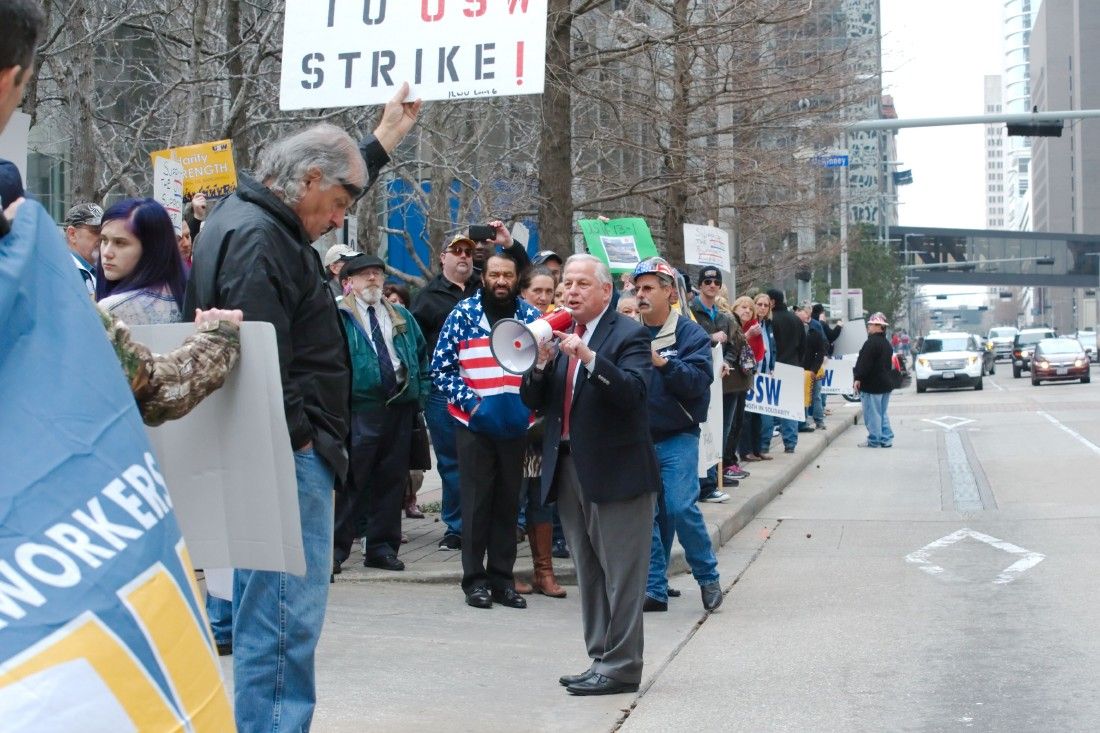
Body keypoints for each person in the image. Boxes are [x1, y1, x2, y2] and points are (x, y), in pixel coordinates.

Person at [184, 83, 421, 732]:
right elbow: (261, 356)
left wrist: (384, 139)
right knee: (284, 620)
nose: (341, 219)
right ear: (309, 180)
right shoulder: (260, 239)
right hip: (285, 454)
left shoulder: (252, 219)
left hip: (274, 449)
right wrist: (305, 437)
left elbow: (336, 182)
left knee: (272, 615)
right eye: (339, 203)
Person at [520, 254, 660, 697]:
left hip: (617, 473)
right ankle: (601, 658)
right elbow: (534, 401)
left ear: (605, 291)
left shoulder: (628, 334)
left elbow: (634, 394)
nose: (571, 292)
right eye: (567, 284)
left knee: (622, 575)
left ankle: (623, 666)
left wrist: (591, 359)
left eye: (582, 284)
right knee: (589, 571)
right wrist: (540, 365)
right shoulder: (564, 334)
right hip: (568, 467)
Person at [432, 252, 540, 609]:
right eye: (495, 274)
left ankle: (502, 581)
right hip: (475, 424)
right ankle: (474, 582)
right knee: (476, 504)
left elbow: (545, 365)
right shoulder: (463, 314)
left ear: (517, 278)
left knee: (508, 506)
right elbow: (441, 368)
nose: (501, 281)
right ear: (484, 277)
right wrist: (472, 404)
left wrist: (531, 404)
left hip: (516, 424)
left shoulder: (530, 317)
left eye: (507, 275)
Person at [632, 258, 722, 614]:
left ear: (669, 292)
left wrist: (663, 363)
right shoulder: (628, 332)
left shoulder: (690, 333)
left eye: (648, 288)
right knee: (648, 515)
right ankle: (654, 588)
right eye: (637, 288)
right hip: (638, 439)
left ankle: (708, 576)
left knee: (680, 507)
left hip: (678, 436)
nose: (641, 295)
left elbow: (698, 382)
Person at [332, 254, 429, 575]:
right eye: (365, 274)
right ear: (349, 282)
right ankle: (335, 551)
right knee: (351, 481)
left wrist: (420, 396)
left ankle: (381, 549)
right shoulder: (338, 314)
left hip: (398, 406)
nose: (373, 279)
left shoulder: (400, 315)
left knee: (391, 481)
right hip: (358, 408)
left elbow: (421, 356)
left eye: (377, 273)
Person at [412, 234, 478, 550]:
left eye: (468, 252)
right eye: (457, 251)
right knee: (452, 462)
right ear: (443, 257)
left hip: (483, 387)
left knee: (484, 459)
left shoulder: (486, 290)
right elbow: (415, 346)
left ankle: (484, 524)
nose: (463, 256)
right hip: (442, 391)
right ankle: (456, 527)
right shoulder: (427, 298)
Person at [515, 265, 567, 598]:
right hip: (512, 425)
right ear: (523, 292)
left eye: (549, 291)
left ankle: (544, 572)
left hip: (542, 429)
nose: (544, 297)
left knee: (541, 499)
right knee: (512, 499)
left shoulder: (558, 326)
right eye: (537, 291)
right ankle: (504, 570)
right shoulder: (512, 324)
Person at [689, 266, 740, 503]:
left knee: (717, 429)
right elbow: (687, 340)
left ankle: (709, 483)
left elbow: (734, 346)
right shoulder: (690, 312)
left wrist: (726, 362)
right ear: (700, 284)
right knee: (701, 430)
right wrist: (710, 338)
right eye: (707, 281)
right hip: (696, 379)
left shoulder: (724, 317)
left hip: (717, 383)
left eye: (716, 282)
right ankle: (702, 484)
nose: (712, 285)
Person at [96, 198, 187, 326]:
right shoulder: (188, 295)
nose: (106, 253)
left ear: (150, 248)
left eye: (120, 243)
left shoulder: (112, 309)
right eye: (104, 240)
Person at [766, 288, 804, 453]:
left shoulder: (770, 320)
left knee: (769, 406)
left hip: (775, 366)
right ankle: (790, 443)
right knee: (790, 407)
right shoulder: (796, 319)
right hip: (793, 365)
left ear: (772, 302)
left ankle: (764, 443)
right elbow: (803, 345)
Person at [723, 296, 757, 481]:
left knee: (736, 424)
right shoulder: (731, 322)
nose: (747, 311)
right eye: (743, 307)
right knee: (731, 425)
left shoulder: (741, 326)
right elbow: (732, 349)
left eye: (750, 309)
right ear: (734, 307)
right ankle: (727, 463)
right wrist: (747, 336)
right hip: (731, 383)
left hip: (740, 383)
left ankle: (730, 461)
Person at [852, 312, 895, 448]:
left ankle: (874, 439)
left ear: (879, 326)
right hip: (885, 384)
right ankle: (886, 439)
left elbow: (864, 364)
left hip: (872, 385)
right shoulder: (886, 344)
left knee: (872, 414)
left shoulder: (870, 343)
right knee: (882, 413)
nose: (868, 326)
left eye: (870, 324)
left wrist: (858, 378)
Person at [743, 292, 777, 461]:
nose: (762, 308)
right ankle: (747, 450)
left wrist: (771, 366)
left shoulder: (767, 325)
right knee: (748, 415)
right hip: (750, 374)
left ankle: (759, 449)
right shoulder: (750, 324)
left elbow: (771, 348)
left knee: (760, 415)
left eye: (766, 305)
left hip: (764, 375)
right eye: (759, 304)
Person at [797, 304, 828, 432]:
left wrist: (814, 369)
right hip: (801, 369)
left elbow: (822, 348)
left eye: (803, 311)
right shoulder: (795, 329)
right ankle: (803, 421)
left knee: (816, 395)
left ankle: (819, 420)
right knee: (804, 396)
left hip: (813, 369)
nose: (801, 314)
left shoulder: (815, 328)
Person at [63, 202, 104, 296]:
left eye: (104, 229)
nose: (103, 236)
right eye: (96, 230)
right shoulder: (63, 273)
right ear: (72, 234)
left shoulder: (101, 267)